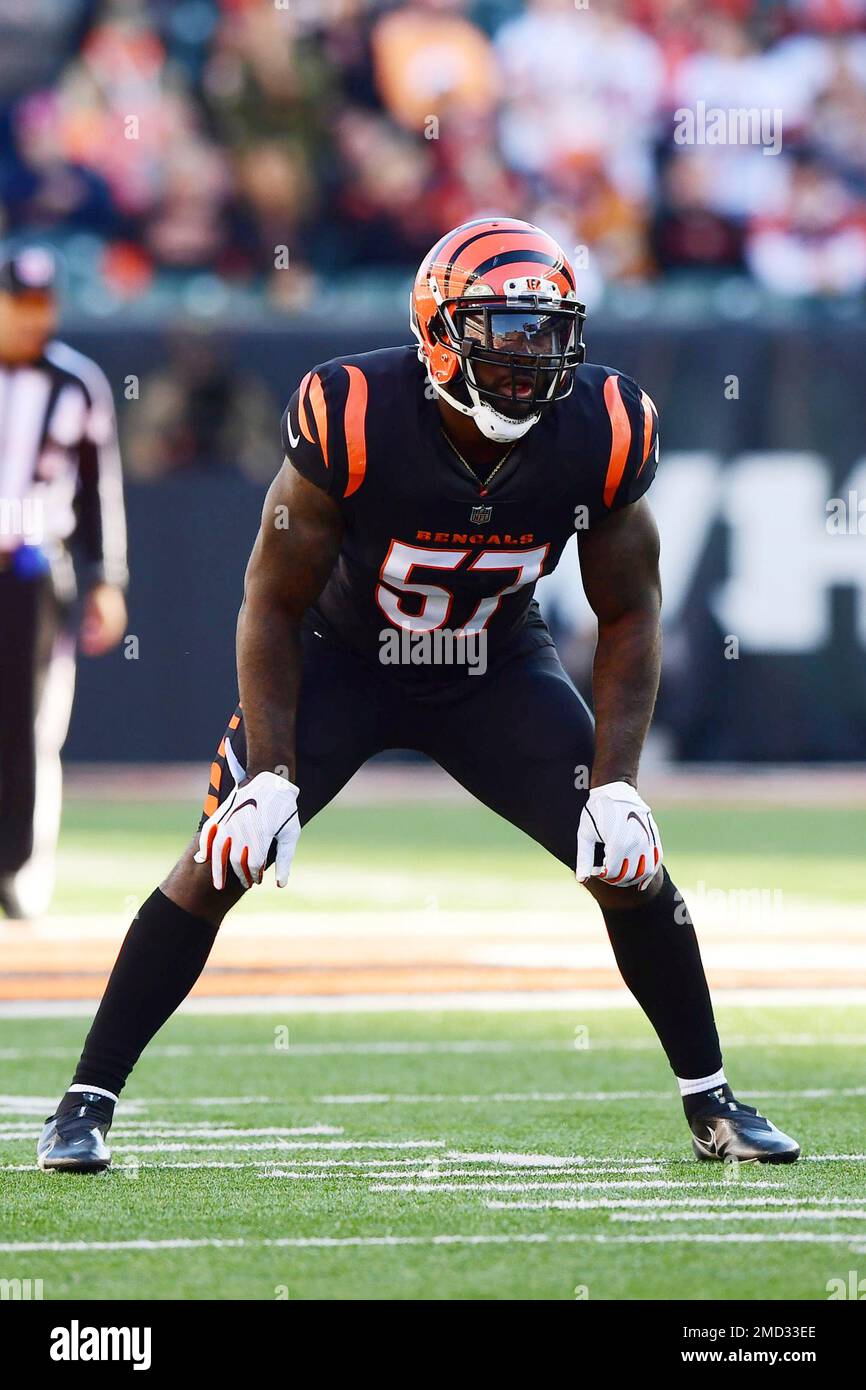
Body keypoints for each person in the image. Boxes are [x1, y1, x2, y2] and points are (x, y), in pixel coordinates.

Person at [37, 218, 798, 1171]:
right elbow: (270, 604)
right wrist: (268, 774)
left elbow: (632, 613)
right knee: (218, 856)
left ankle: (712, 1104)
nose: (532, 362)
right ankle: (83, 1103)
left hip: (491, 664)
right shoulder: (354, 408)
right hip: (342, 657)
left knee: (627, 862)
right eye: (506, 337)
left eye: (549, 335)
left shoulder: (604, 425)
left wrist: (618, 781)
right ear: (441, 334)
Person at [0, 248, 127, 920]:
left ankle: (18, 868)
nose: (31, 320)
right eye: (19, 304)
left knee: (29, 725)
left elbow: (99, 488)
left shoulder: (76, 384)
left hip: (31, 571)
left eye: (41, 306)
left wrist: (107, 576)